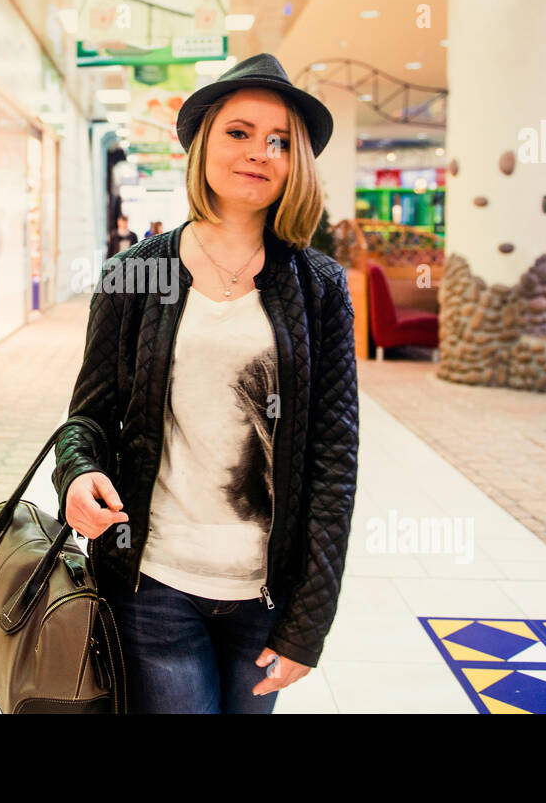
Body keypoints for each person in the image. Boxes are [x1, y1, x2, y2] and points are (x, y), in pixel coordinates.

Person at [54, 53, 359, 714]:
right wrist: (77, 474)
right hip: (153, 584)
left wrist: (310, 621)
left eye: (280, 140)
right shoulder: (135, 274)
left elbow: (335, 460)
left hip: (265, 591)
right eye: (239, 132)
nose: (259, 152)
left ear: (297, 161)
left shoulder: (320, 288)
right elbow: (88, 416)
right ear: (202, 145)